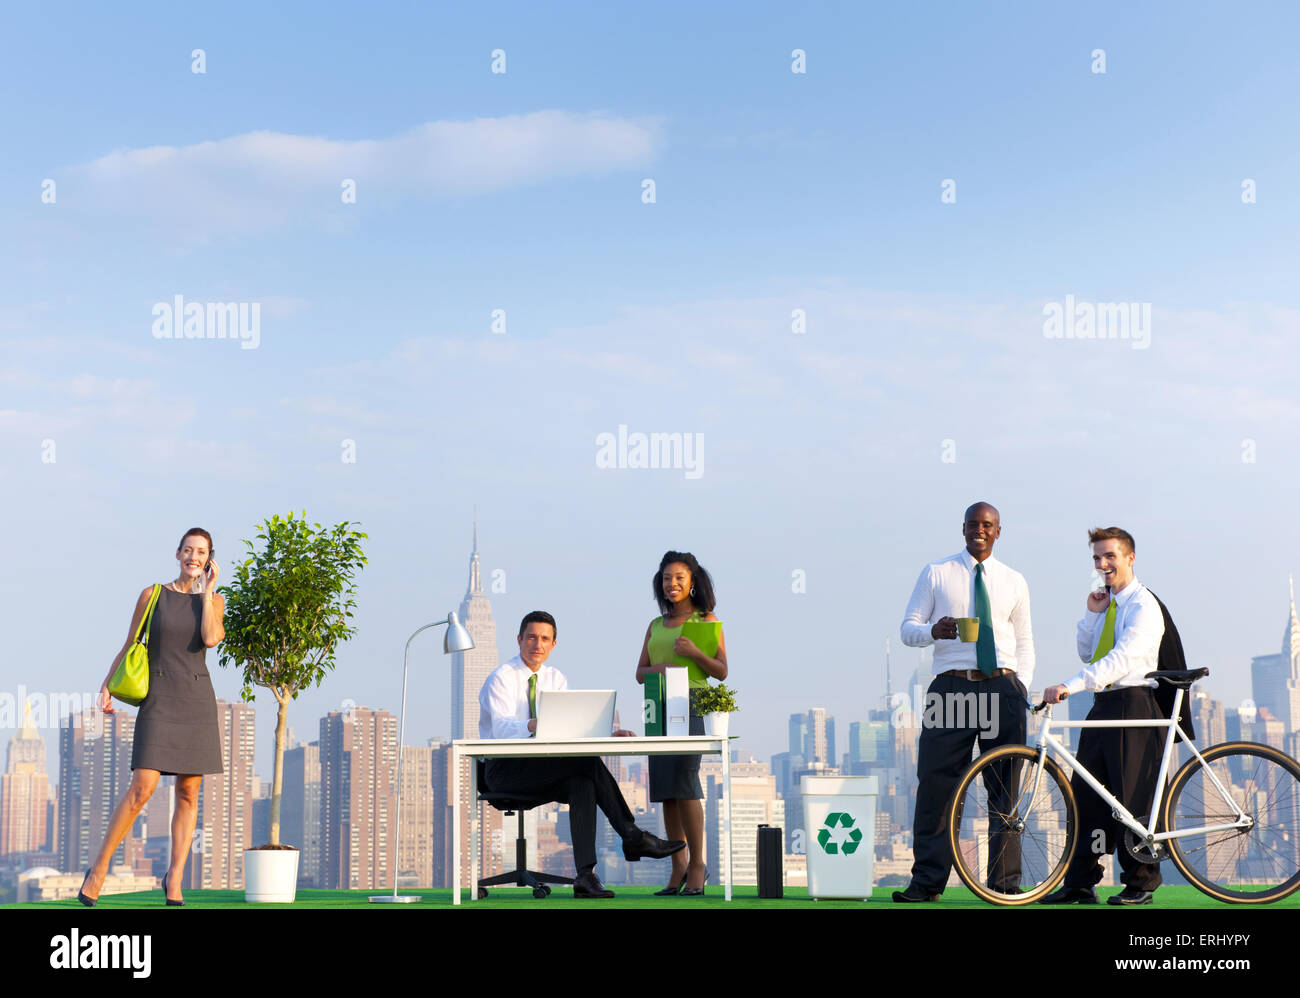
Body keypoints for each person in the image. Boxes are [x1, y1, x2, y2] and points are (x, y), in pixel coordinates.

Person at [479, 610, 686, 899]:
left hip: (545, 768)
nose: (537, 644)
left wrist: (606, 735)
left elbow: (571, 728)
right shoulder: (501, 678)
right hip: (504, 772)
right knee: (587, 763)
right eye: (531, 637)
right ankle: (632, 836)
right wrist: (534, 724)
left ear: (553, 645)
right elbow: (499, 729)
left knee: (583, 783)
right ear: (519, 640)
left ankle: (585, 877)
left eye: (545, 639)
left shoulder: (556, 678)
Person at [895, 501, 1035, 902]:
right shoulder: (936, 572)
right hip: (952, 690)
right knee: (936, 786)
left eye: (987, 525)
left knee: (1005, 787)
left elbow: (1025, 642)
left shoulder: (1014, 580)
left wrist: (1021, 687)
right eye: (973, 524)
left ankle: (1005, 883)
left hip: (1003, 689)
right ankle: (926, 882)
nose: (980, 530)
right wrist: (932, 632)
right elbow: (908, 628)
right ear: (963, 528)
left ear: (998, 531)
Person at [79, 528, 225, 907]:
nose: (193, 557)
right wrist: (108, 684)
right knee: (141, 788)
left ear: (208, 560)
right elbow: (131, 644)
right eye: (188, 550)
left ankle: (174, 878)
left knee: (189, 792)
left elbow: (210, 639)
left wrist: (208, 592)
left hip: (196, 700)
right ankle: (99, 869)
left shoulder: (215, 602)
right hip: (159, 697)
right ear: (177, 553)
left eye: (201, 552)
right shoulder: (153, 595)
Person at [1040, 527, 1165, 906]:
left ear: (1130, 558)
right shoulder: (1108, 604)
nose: (1102, 564)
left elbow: (1118, 661)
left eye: (1110, 556)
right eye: (1097, 558)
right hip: (1104, 706)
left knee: (1130, 797)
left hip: (1134, 704)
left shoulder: (1143, 606)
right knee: (1086, 796)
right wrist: (1091, 614)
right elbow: (1087, 652)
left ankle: (1141, 882)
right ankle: (1080, 881)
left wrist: (1069, 685)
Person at [634, 551, 729, 897]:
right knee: (665, 790)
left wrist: (694, 654)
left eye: (678, 578)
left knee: (686, 783)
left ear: (692, 582)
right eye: (665, 578)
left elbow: (720, 671)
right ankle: (678, 864)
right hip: (657, 708)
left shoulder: (707, 621)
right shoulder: (655, 625)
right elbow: (639, 673)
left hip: (691, 705)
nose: (671, 584)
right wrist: (659, 670)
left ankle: (699, 865)